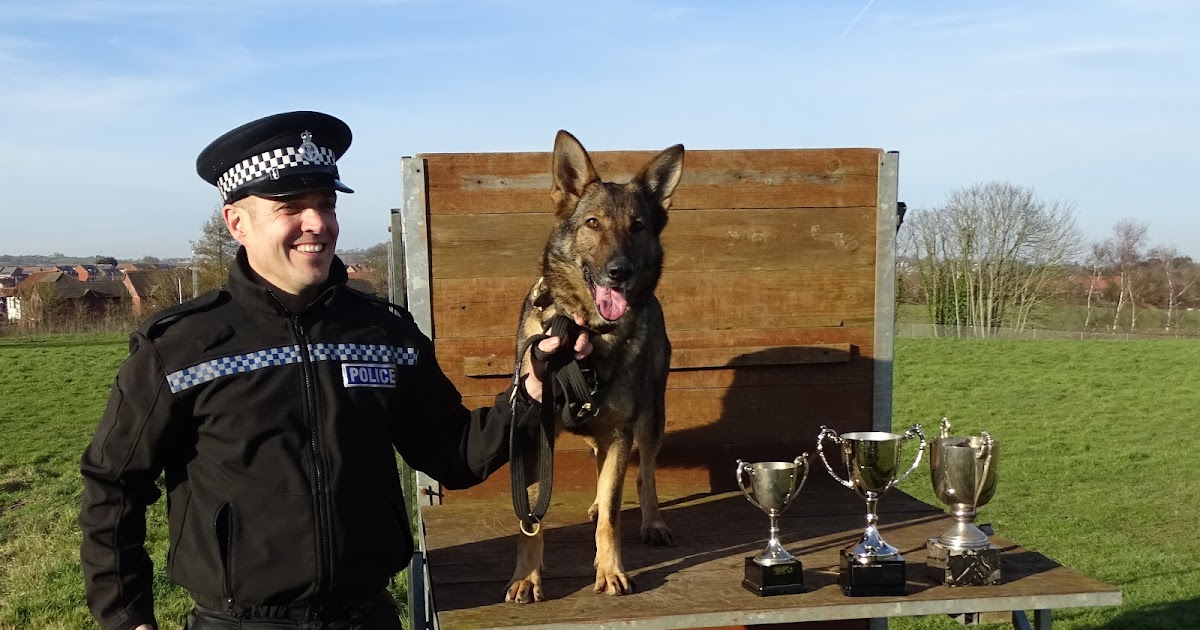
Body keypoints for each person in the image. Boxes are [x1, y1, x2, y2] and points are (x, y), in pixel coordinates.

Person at [78, 111, 588, 630]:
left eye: (326, 204)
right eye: (290, 207)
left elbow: (456, 454)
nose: (317, 224)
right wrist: (126, 617)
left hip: (368, 616)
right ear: (237, 223)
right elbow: (113, 485)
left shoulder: (385, 335)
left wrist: (532, 386)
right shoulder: (181, 347)